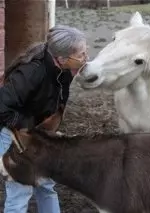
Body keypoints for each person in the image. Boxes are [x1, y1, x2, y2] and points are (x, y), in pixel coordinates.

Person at [0, 25, 88, 213]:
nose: (85, 58)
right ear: (63, 58)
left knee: (47, 187)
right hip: (16, 137)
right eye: (81, 54)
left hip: (40, 135)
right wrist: (27, 127)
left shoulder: (63, 70)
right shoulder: (31, 73)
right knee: (19, 194)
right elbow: (2, 108)